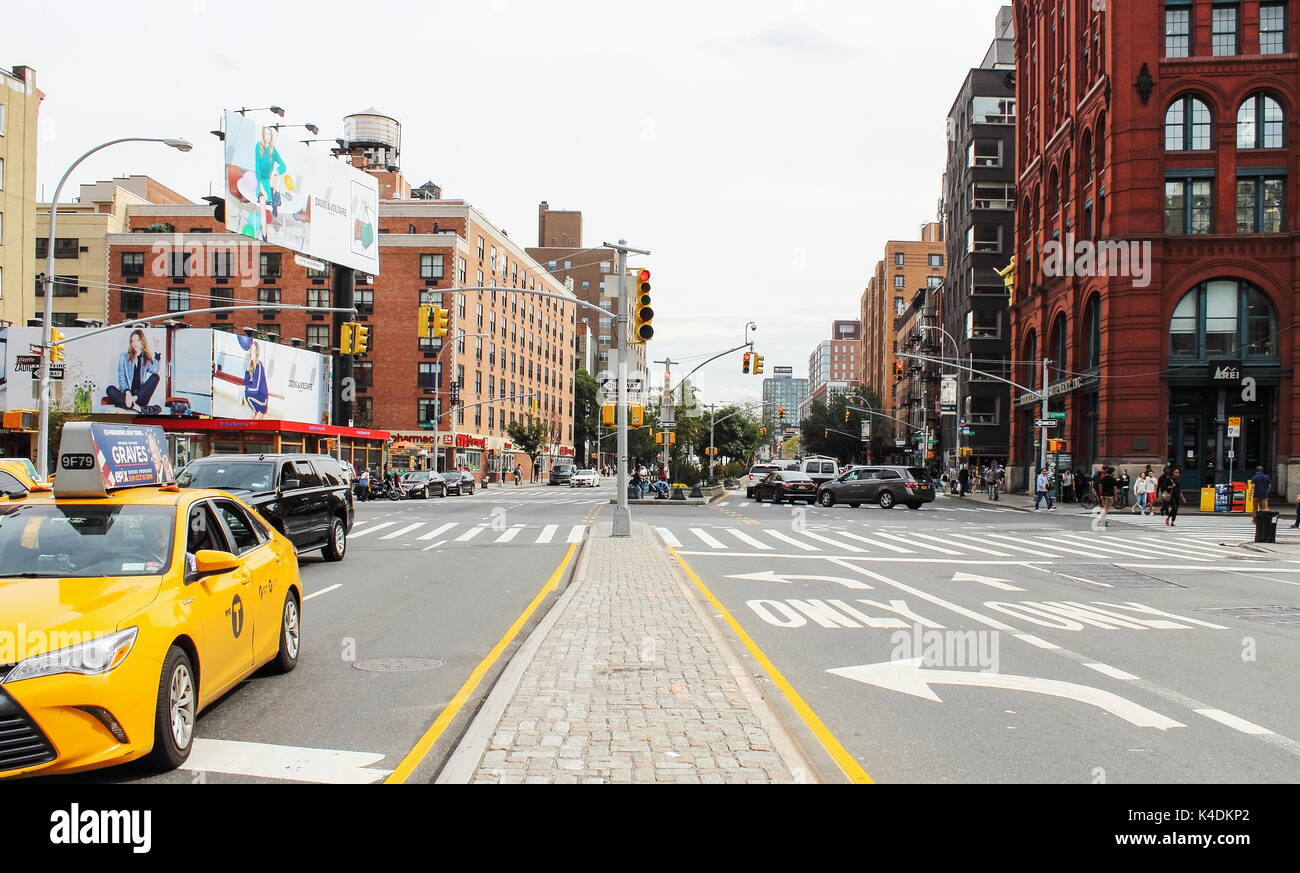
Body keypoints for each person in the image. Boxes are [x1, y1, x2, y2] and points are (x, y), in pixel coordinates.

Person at [106, 329, 163, 414]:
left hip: (140, 397)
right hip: (126, 397)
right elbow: (122, 378)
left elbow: (155, 370)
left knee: (156, 377)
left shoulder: (146, 358)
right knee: (110, 389)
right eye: (132, 341)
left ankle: (131, 406)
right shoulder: (124, 356)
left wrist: (157, 350)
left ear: (142, 341)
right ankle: (138, 408)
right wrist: (128, 394)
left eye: (138, 340)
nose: (135, 343)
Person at [243, 340, 270, 420]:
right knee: (254, 421)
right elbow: (246, 382)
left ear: (257, 352)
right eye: (251, 350)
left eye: (254, 350)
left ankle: (259, 413)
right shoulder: (251, 365)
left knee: (247, 394)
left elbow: (256, 387)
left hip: (261, 398)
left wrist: (246, 388)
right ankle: (257, 414)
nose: (252, 352)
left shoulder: (259, 365)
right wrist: (247, 371)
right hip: (253, 397)